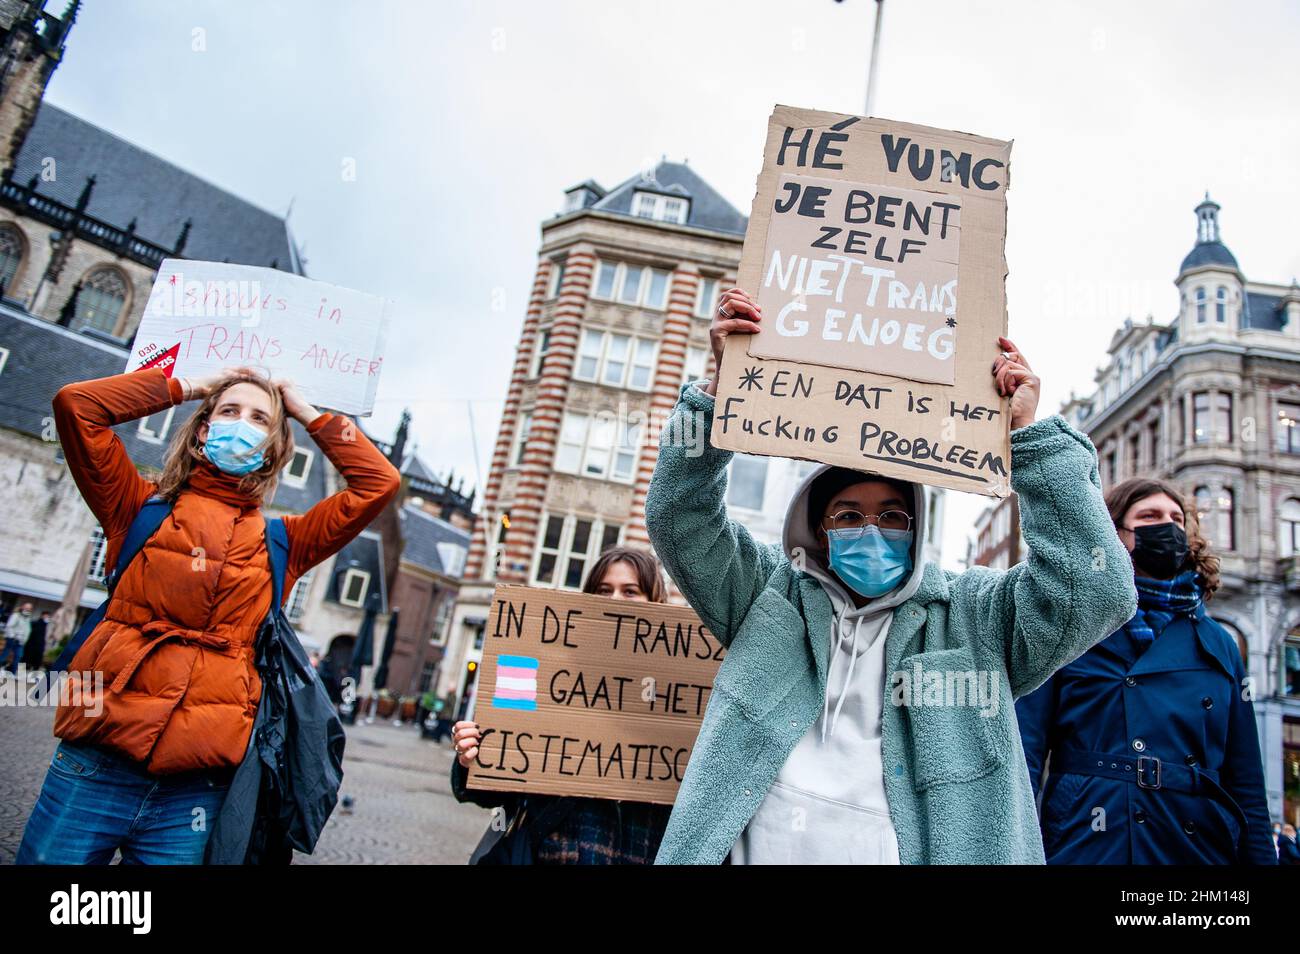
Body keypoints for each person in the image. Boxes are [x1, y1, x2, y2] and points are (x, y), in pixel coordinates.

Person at [643, 286, 1138, 864]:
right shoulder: (765, 594)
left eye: (892, 516)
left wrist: (1030, 441)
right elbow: (679, 518)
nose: (870, 531)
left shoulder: (975, 616)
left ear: (917, 525)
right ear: (819, 528)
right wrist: (717, 398)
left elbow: (1096, 589)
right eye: (848, 515)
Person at [16, 366, 400, 865]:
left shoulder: (285, 540)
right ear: (203, 428)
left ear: (272, 446)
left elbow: (379, 483)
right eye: (229, 411)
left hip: (195, 791)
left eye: (260, 419)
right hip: (95, 765)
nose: (242, 423)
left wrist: (306, 412)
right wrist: (190, 386)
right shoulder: (135, 506)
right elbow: (76, 406)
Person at [1016, 477, 1276, 864]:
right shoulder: (1073, 626)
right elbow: (1025, 754)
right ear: (1113, 532)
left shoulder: (1219, 643)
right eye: (1150, 516)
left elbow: (1246, 781)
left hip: (1192, 842)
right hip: (1089, 836)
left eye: (1177, 518)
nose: (1168, 527)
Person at [449, 546, 676, 864]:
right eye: (604, 590)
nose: (614, 601)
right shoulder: (545, 676)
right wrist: (470, 758)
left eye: (631, 592)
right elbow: (496, 789)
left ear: (656, 604)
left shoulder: (676, 694)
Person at [2, 601, 32, 674]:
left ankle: (13, 672)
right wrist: (12, 636)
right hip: (12, 638)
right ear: (22, 607)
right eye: (26, 607)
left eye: (29, 608)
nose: (27, 609)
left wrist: (24, 640)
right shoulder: (16, 615)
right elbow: (9, 626)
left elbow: (27, 630)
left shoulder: (27, 618)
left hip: (20, 641)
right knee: (5, 654)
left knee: (18, 656)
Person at [21, 610, 50, 678]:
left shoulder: (45, 625)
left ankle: (33, 673)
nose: (47, 618)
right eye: (47, 616)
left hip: (38, 645)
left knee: (36, 660)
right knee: (28, 659)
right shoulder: (36, 623)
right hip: (33, 645)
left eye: (48, 617)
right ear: (42, 616)